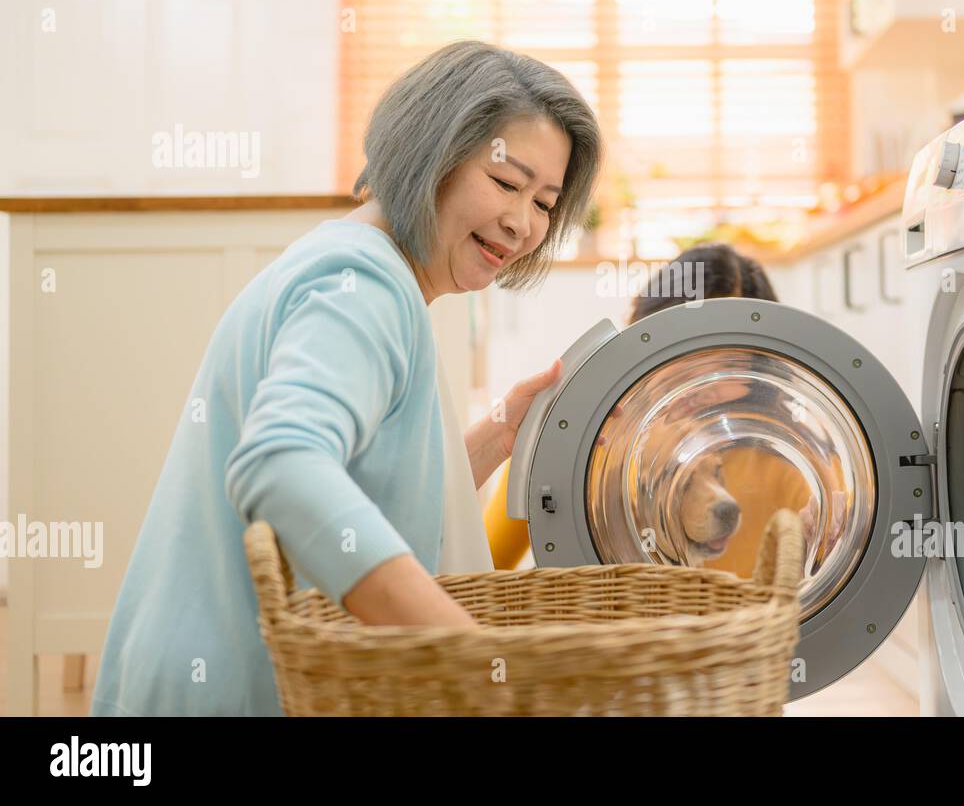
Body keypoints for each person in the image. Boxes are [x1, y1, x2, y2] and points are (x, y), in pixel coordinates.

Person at [92, 41, 601, 715]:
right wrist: (477, 663)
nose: (523, 223)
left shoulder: (351, 263)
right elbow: (283, 465)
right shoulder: (363, 286)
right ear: (433, 151)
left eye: (544, 202)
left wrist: (498, 436)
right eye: (507, 183)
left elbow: (370, 479)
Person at [484, 243, 817, 577]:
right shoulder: (580, 442)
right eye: (691, 350)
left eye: (729, 357)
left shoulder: (792, 465)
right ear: (650, 339)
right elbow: (485, 563)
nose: (704, 379)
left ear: (761, 367)